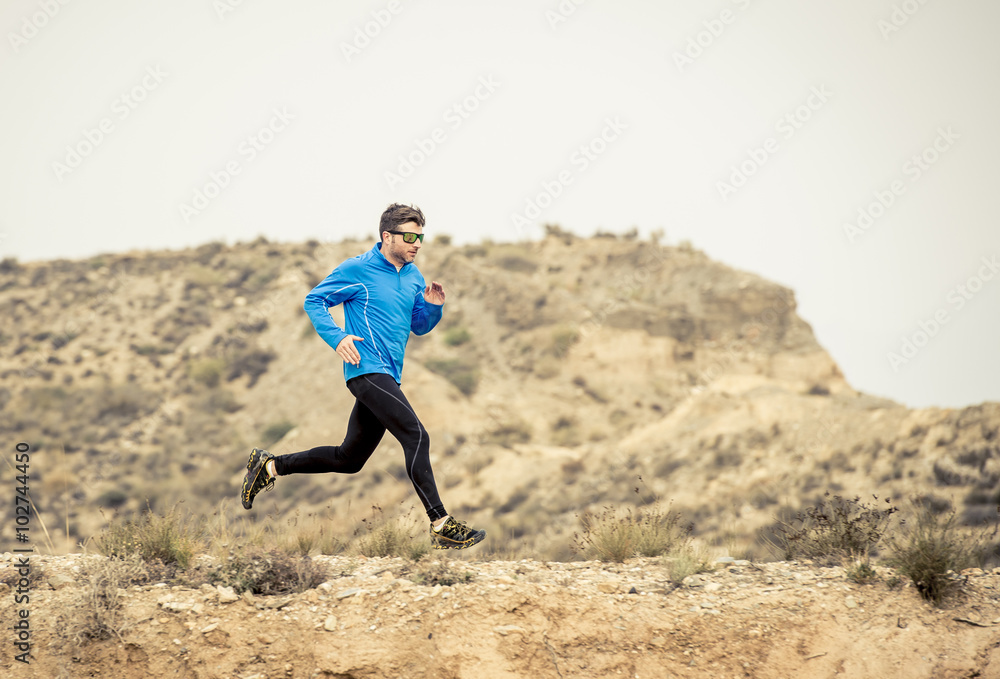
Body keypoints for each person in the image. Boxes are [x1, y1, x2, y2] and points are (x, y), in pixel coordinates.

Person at [240, 203, 485, 550]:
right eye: (410, 236)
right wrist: (337, 337)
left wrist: (432, 306)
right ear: (387, 236)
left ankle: (269, 467)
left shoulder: (414, 277)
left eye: (421, 237)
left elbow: (418, 326)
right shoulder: (359, 269)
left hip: (389, 374)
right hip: (365, 368)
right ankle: (441, 523)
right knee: (416, 436)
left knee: (349, 459)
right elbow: (315, 300)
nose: (417, 243)